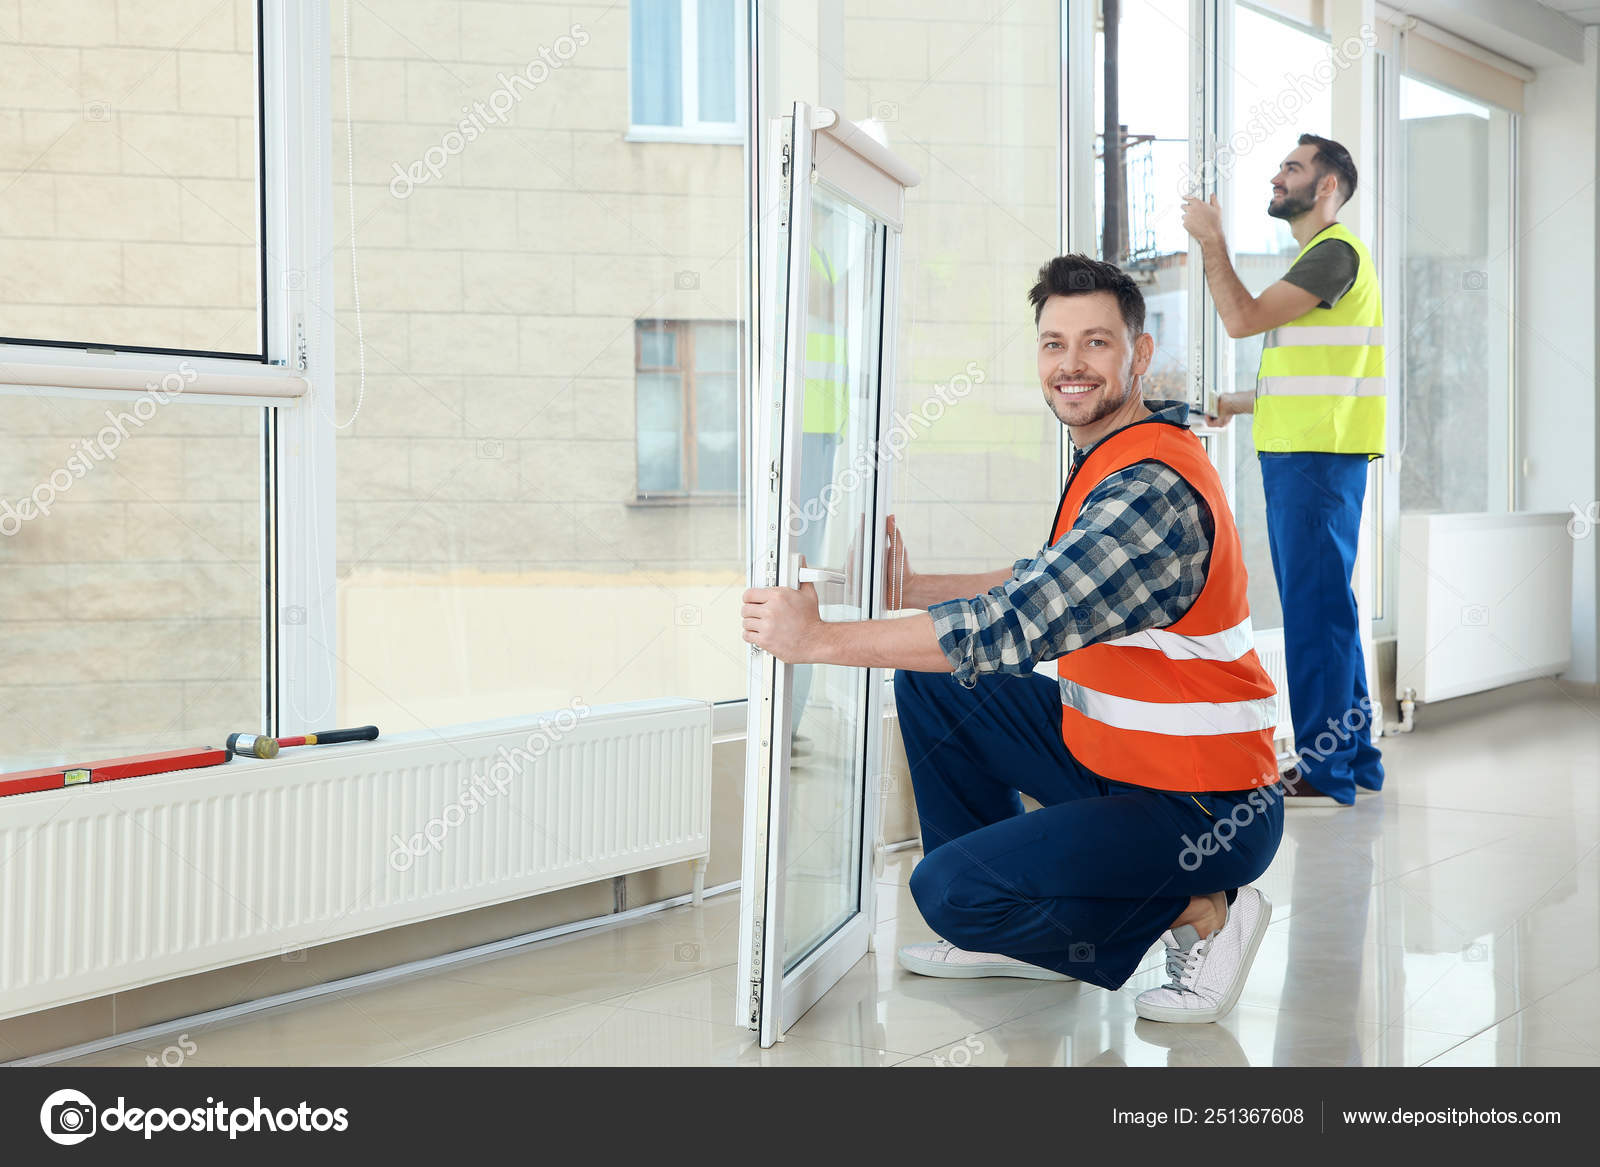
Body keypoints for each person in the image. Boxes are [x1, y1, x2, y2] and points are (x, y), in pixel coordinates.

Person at [742, 254, 1284, 1023]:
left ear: (1139, 354)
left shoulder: (1149, 490)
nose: (1070, 364)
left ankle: (1202, 910)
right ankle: (1023, 930)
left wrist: (819, 639)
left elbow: (1013, 623)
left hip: (1206, 807)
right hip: (1127, 761)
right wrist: (912, 591)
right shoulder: (1116, 455)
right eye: (1053, 343)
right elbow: (1041, 577)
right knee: (937, 683)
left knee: (948, 890)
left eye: (1096, 343)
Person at [1182, 132, 1385, 808]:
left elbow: (1239, 319)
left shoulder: (1331, 254)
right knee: (1331, 606)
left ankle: (1325, 768)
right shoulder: (1321, 260)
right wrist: (1237, 403)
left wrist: (1212, 239)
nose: (1278, 177)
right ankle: (1355, 757)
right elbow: (1314, 375)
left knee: (1313, 609)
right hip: (1314, 454)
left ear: (1327, 187)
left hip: (1314, 462)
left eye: (1293, 168)